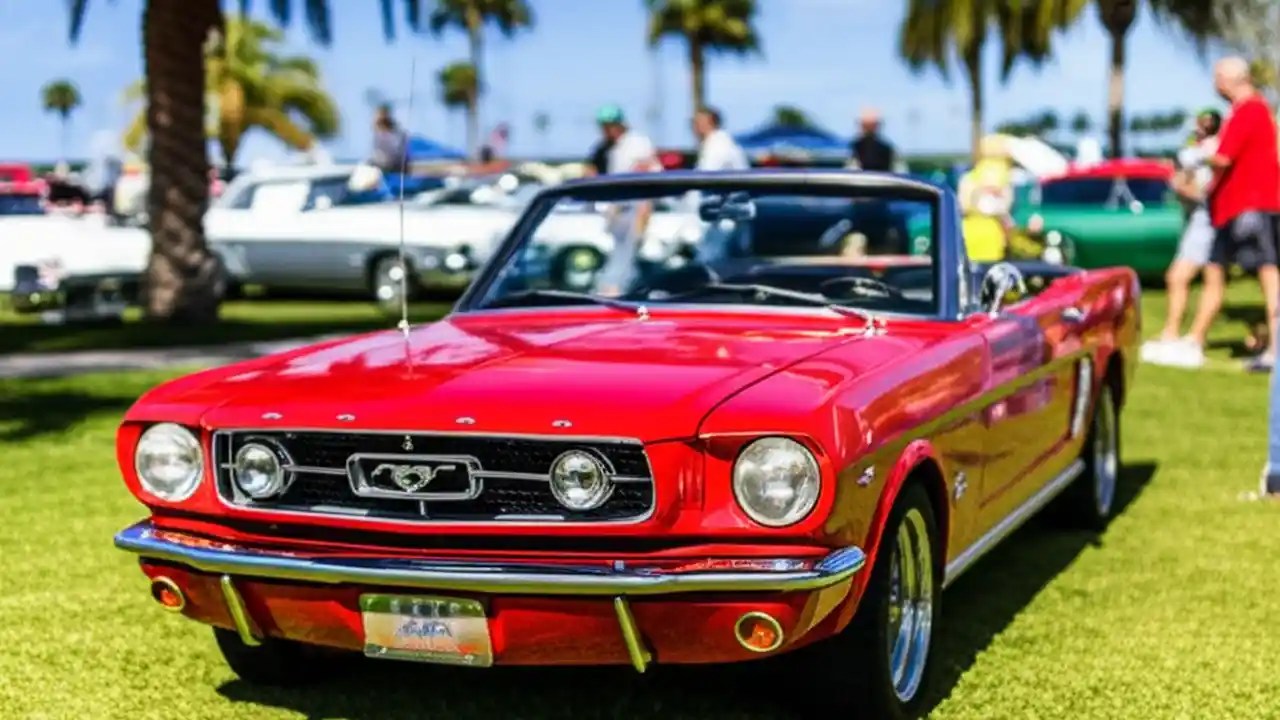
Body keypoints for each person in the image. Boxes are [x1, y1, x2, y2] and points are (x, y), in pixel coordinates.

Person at [1160, 57, 1280, 371]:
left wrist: (1194, 158)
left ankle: (1275, 348)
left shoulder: (1251, 109)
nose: (1215, 83)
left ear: (1230, 79)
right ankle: (1194, 341)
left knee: (1267, 271)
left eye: (1217, 76)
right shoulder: (1240, 112)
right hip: (1228, 208)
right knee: (1215, 269)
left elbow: (1224, 158)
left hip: (1252, 205)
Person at [1141, 108, 1222, 365]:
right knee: (1210, 274)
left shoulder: (1214, 149)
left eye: (1205, 123)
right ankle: (1178, 336)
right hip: (1199, 218)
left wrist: (1185, 188)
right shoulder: (1193, 148)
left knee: (1181, 275)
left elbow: (1206, 187)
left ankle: (1188, 339)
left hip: (1209, 217)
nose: (1199, 127)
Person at [592, 104, 660, 295]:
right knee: (621, 261)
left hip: (634, 211)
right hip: (619, 215)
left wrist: (643, 216)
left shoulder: (637, 144)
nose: (605, 130)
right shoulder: (614, 149)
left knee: (624, 267)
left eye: (609, 125)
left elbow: (647, 184)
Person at [693, 106, 748, 171]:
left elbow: (707, 174)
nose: (694, 127)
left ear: (709, 122)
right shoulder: (719, 141)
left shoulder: (718, 145)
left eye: (697, 123)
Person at [849, 108, 895, 172]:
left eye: (870, 125)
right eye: (867, 125)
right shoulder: (853, 148)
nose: (868, 128)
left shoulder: (887, 149)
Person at [371, 104, 408, 173]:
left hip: (393, 166)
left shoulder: (395, 135)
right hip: (387, 165)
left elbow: (396, 155)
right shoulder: (379, 135)